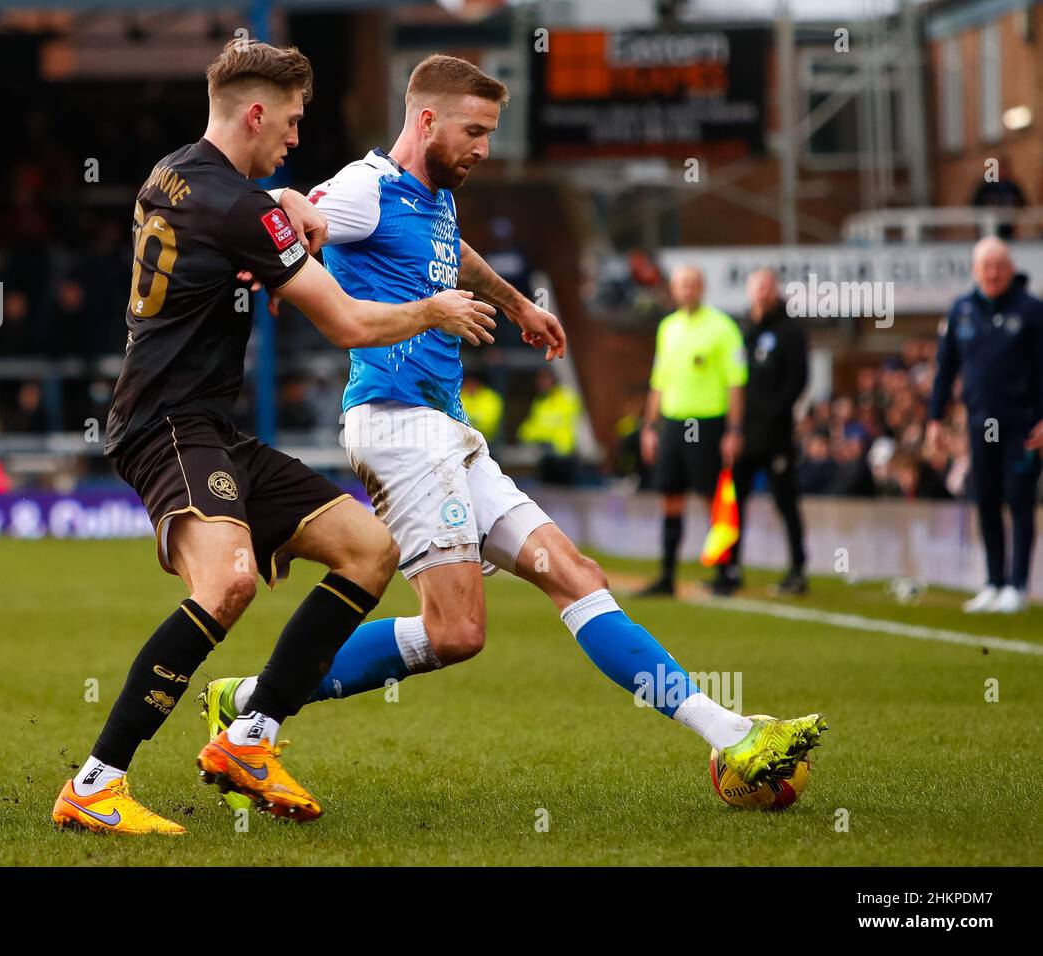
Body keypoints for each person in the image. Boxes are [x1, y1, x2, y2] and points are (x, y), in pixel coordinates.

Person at [201, 54, 826, 804]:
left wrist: (519, 304)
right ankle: (253, 714)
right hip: (400, 427)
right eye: (475, 130)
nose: (484, 148)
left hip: (448, 431)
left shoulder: (433, 196)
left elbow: (448, 253)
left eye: (491, 133)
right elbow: (299, 205)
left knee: (577, 575)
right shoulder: (370, 187)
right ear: (425, 120)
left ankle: (730, 733)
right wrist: (284, 230)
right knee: (457, 631)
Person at [51, 40, 497, 835]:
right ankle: (96, 780)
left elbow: (236, 217)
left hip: (210, 427)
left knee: (369, 548)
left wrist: (284, 200)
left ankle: (250, 738)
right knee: (226, 585)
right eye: (290, 123)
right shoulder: (241, 210)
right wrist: (435, 308)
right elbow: (353, 324)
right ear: (256, 114)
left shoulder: (171, 172)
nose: (295, 137)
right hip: (168, 425)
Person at [928, 236, 1043, 614]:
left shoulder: (1031, 311)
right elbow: (946, 370)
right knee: (986, 501)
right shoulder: (961, 311)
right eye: (985, 267)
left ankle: (1018, 585)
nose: (992, 274)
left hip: (1022, 425)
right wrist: (934, 417)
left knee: (1019, 500)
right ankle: (993, 581)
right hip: (981, 424)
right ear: (975, 271)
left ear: (1010, 269)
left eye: (999, 266)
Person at [637, 266, 747, 596]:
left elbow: (736, 382)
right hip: (673, 422)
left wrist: (734, 430)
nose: (687, 290)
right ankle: (667, 575)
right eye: (682, 285)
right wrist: (648, 426)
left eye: (693, 284)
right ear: (673, 289)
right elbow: (658, 381)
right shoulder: (667, 327)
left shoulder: (723, 327)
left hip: (706, 423)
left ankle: (726, 571)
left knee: (712, 497)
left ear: (702, 287)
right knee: (670, 495)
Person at [724, 268, 809, 595]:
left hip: (776, 435)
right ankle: (730, 567)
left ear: (775, 291)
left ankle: (798, 569)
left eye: (768, 286)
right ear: (749, 292)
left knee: (786, 502)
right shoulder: (742, 331)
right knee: (734, 503)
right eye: (757, 287)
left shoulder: (790, 331)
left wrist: (773, 414)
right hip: (742, 435)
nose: (763, 292)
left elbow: (798, 380)